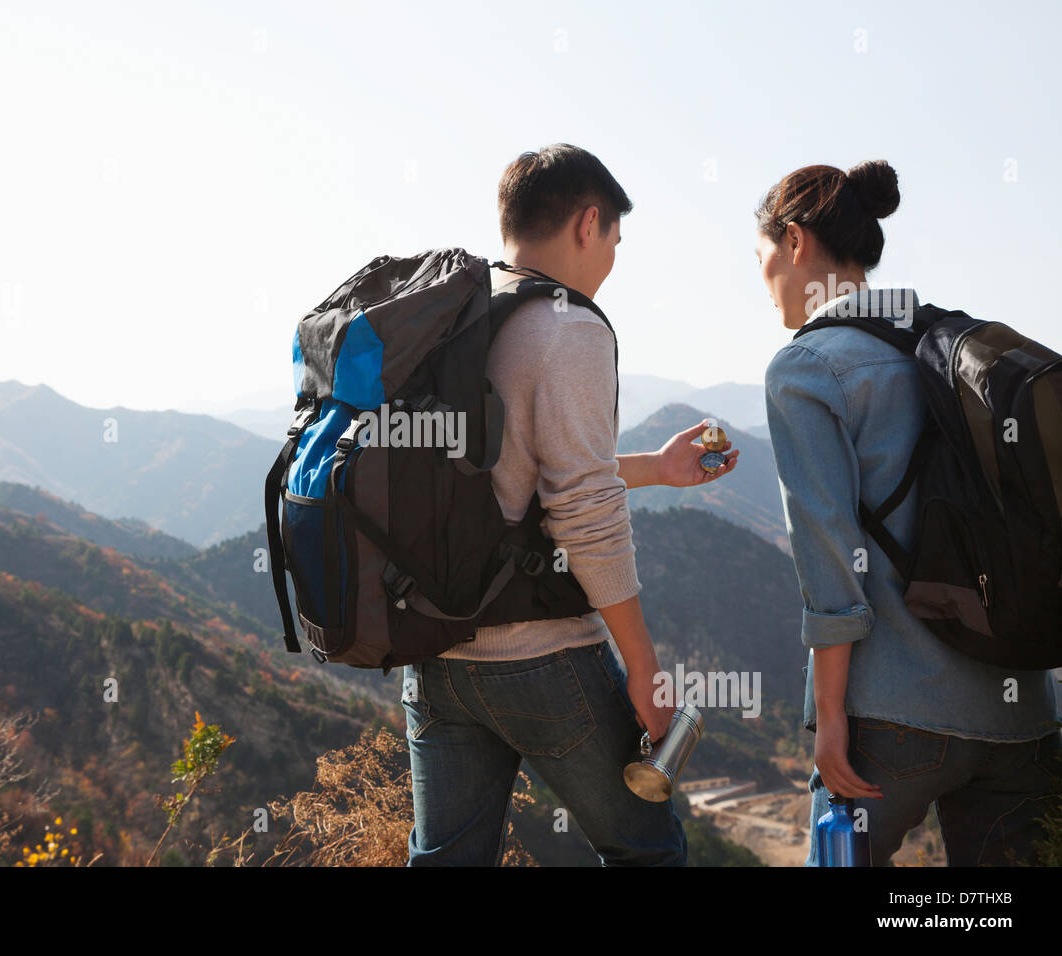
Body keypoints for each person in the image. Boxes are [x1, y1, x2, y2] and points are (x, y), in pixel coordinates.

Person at [402, 143, 739, 866]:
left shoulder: (455, 318)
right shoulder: (569, 327)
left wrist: (656, 468)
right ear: (589, 223)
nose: (614, 255)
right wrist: (644, 669)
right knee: (645, 850)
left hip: (434, 655)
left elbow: (509, 478)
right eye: (616, 236)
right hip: (542, 657)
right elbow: (583, 513)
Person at [756, 159, 1061, 865]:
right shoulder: (960, 350)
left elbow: (829, 562)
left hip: (891, 716)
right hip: (1021, 711)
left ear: (796, 241)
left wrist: (829, 718)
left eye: (763, 254)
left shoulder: (806, 369)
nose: (764, 276)